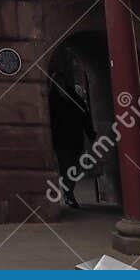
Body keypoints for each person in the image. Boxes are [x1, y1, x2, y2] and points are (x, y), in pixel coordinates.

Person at [48, 73, 92, 211]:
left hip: (75, 138)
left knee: (75, 167)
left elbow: (85, 116)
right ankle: (68, 194)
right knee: (66, 166)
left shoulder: (74, 97)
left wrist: (90, 132)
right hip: (61, 140)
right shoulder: (52, 99)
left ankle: (69, 192)